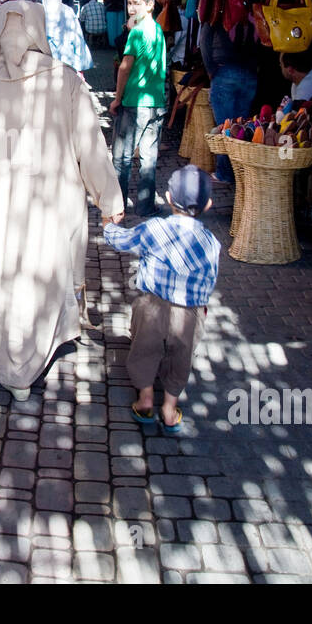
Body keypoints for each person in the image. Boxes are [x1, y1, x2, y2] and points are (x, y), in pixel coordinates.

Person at [0, 0, 123, 402]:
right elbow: (92, 150)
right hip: (53, 206)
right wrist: (110, 199)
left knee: (5, 283)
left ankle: (7, 363)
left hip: (1, 209)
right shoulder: (68, 82)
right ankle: (43, 349)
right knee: (44, 275)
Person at [103, 165, 220, 434]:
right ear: (209, 204)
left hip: (152, 305)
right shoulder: (212, 242)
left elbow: (122, 241)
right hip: (189, 313)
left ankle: (145, 399)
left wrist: (109, 225)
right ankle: (169, 408)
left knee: (144, 350)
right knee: (181, 358)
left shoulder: (155, 229)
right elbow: (210, 280)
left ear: (168, 198)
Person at [110, 0, 167, 217]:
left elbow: (125, 67)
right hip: (156, 102)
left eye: (137, 3)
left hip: (135, 101)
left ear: (150, 5)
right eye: (130, 3)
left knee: (121, 158)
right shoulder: (157, 29)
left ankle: (118, 205)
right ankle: (145, 206)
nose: (131, 8)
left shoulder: (137, 32)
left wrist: (117, 98)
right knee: (148, 158)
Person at [203, 22, 260, 185]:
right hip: (249, 73)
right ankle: (239, 172)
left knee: (226, 127)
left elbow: (204, 41)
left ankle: (226, 173)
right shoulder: (251, 7)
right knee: (241, 127)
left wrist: (211, 70)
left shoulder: (218, 5)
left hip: (225, 70)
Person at [42, 0, 92, 72]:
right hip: (68, 58)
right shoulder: (68, 10)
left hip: (46, 59)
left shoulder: (40, 11)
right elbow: (77, 36)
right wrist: (80, 62)